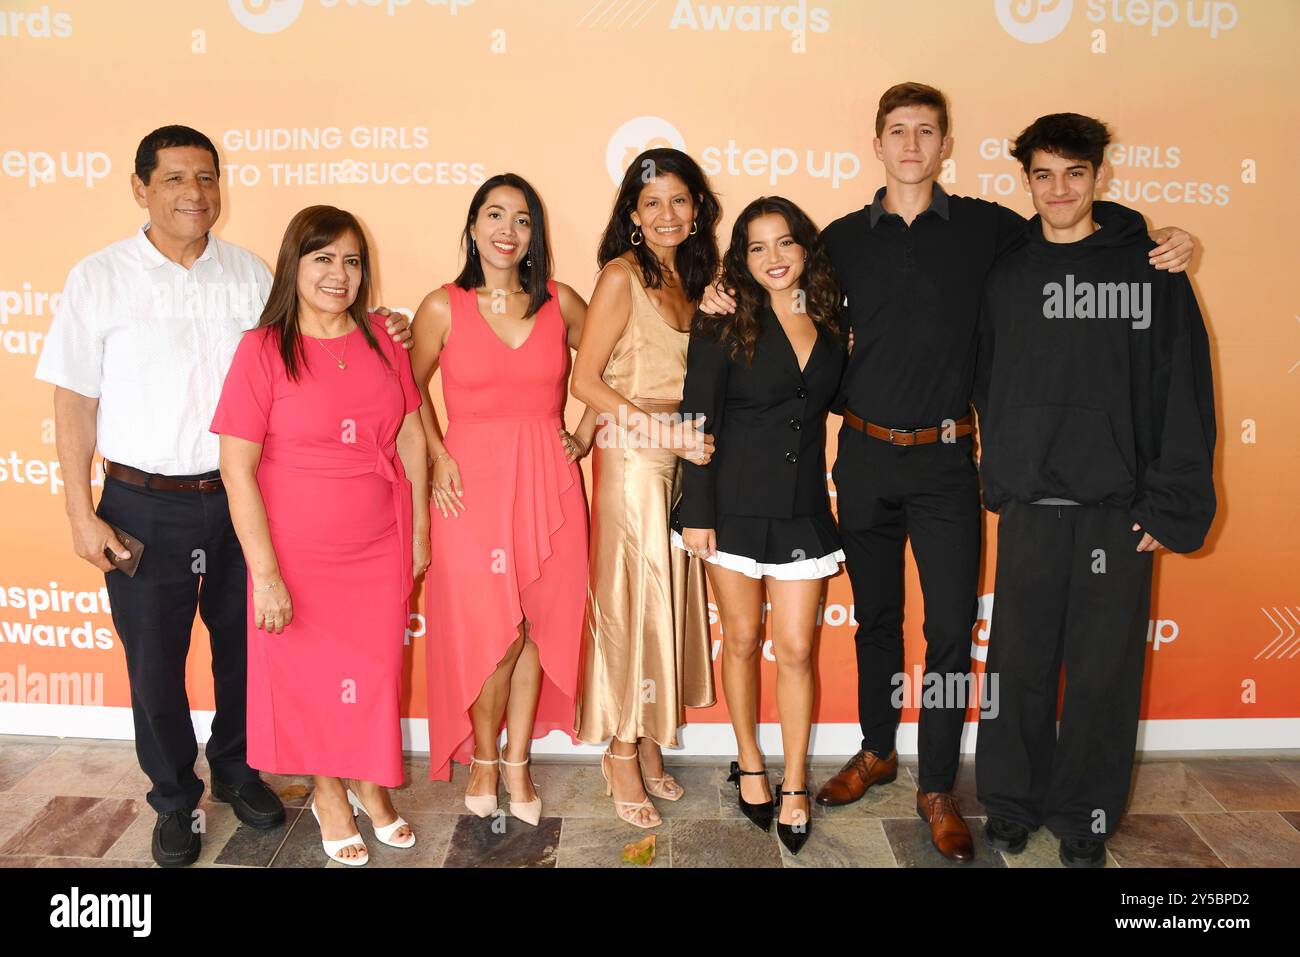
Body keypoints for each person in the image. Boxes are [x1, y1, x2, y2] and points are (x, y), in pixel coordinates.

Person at [702, 83, 1195, 862]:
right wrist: (722, 288)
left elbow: (1073, 228)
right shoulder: (836, 240)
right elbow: (776, 280)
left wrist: (1155, 235)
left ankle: (936, 785)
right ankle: (875, 750)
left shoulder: (987, 230)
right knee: (873, 622)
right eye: (896, 131)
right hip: (860, 455)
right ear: (877, 143)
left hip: (944, 458)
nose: (910, 144)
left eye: (925, 131)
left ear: (944, 144)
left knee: (949, 632)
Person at [34, 126, 412, 867]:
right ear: (140, 187)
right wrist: (81, 509)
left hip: (245, 499)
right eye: (175, 178)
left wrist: (381, 323)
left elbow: (316, 334)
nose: (194, 193)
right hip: (142, 502)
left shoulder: (247, 274)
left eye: (206, 177)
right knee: (154, 660)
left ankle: (239, 770)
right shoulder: (99, 276)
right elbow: (74, 401)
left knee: (251, 649)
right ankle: (175, 799)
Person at [973, 113, 1215, 867]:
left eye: (1074, 173)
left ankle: (1087, 813)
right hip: (1031, 506)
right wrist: (1005, 475)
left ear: (1099, 176)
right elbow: (987, 380)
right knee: (1016, 667)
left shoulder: (1148, 268)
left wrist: (1168, 504)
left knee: (1105, 674)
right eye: (1043, 174)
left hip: (1119, 511)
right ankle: (1010, 804)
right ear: (1027, 180)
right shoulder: (1006, 272)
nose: (1059, 190)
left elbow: (1184, 389)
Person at [211, 205, 428, 865]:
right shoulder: (261, 349)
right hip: (296, 553)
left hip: (378, 542)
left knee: (373, 673)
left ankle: (368, 780)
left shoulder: (385, 341)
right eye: (324, 258)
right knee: (311, 679)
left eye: (352, 260)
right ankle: (331, 793)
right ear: (294, 266)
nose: (341, 273)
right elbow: (236, 468)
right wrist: (266, 573)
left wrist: (417, 531)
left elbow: (412, 433)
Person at [410, 174, 594, 825]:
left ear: (533, 234)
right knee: (495, 629)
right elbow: (407, 391)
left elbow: (611, 360)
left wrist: (585, 431)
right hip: (470, 489)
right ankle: (485, 756)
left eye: (520, 219)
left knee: (535, 627)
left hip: (552, 481)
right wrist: (436, 456)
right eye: (494, 215)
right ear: (473, 226)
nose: (507, 231)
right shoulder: (442, 305)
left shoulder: (560, 301)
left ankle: (517, 760)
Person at [675, 196, 846, 855]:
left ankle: (797, 779)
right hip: (733, 508)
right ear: (740, 259)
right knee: (743, 639)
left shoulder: (831, 322)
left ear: (806, 248)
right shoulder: (722, 321)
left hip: (804, 507)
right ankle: (750, 761)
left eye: (785, 243)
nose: (773, 257)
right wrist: (698, 515)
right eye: (756, 246)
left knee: (798, 649)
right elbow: (697, 420)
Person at [571, 148, 719, 828]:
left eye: (679, 200)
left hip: (684, 459)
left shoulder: (696, 280)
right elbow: (588, 381)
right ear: (633, 214)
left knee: (669, 603)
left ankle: (651, 735)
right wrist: (664, 438)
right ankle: (621, 751)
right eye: (652, 202)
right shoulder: (620, 276)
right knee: (634, 605)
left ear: (697, 210)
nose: (667, 214)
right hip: (633, 459)